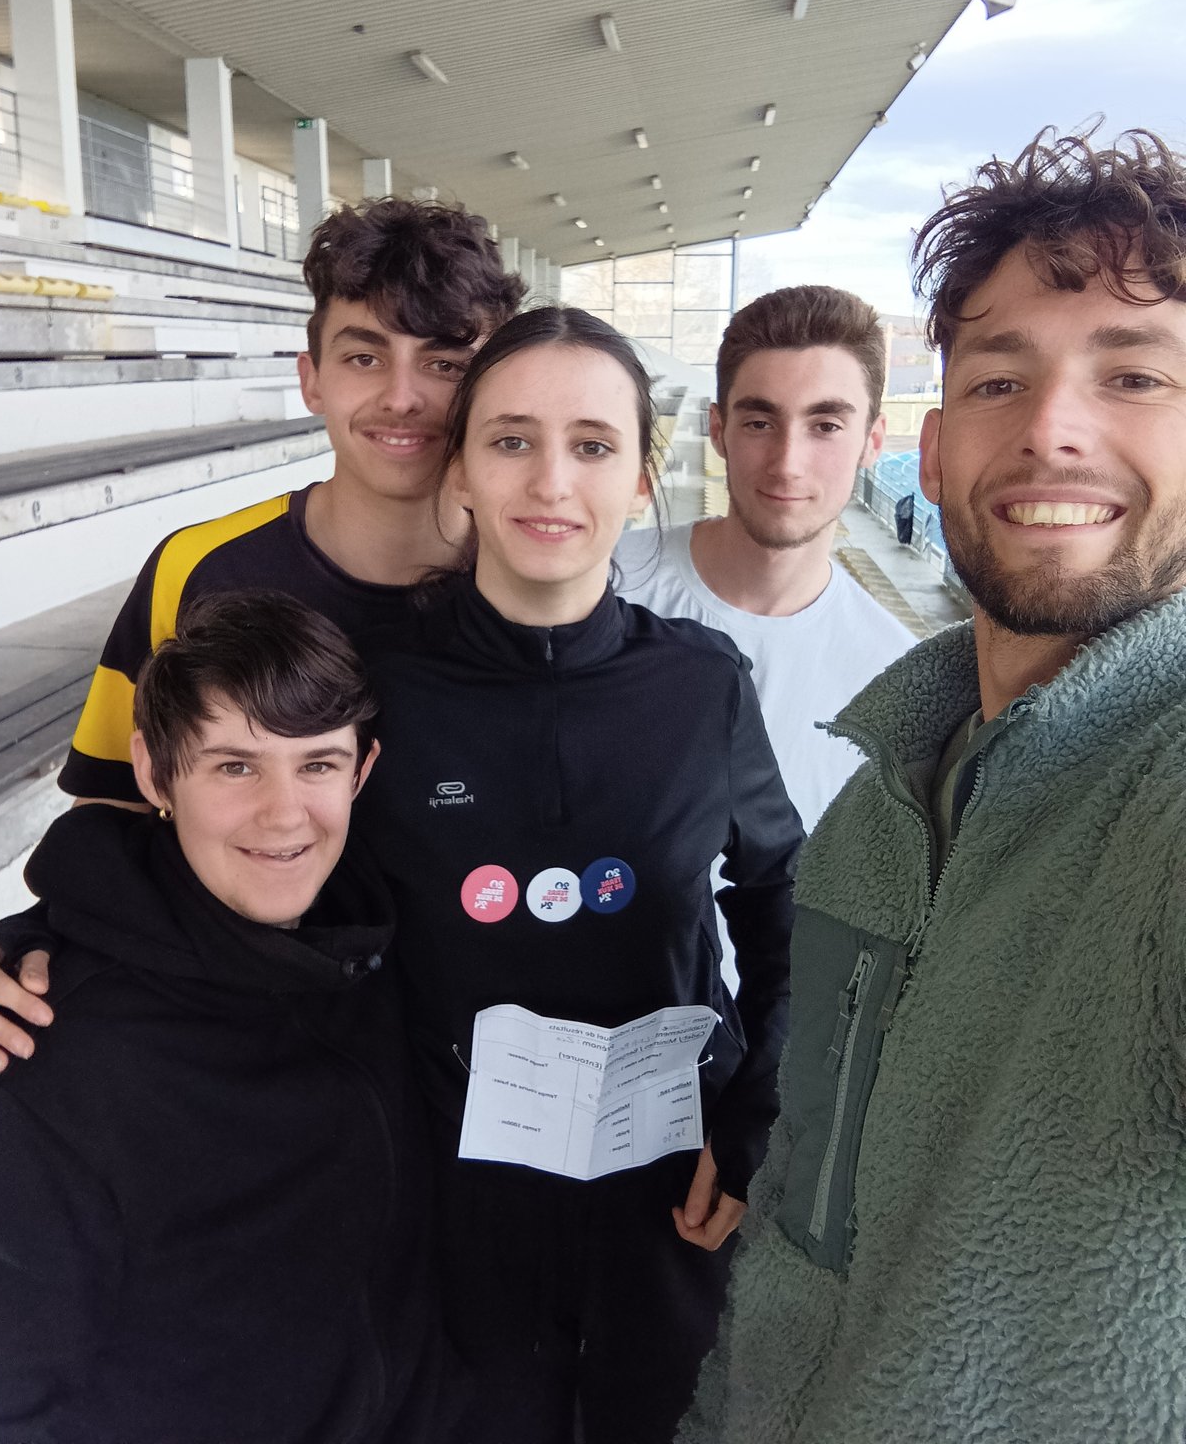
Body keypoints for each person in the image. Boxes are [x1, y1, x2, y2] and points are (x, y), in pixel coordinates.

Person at [677, 127, 1186, 1444]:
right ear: (939, 441)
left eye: (1134, 376)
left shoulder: (1159, 795)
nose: (1055, 430)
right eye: (1002, 379)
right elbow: (803, 1212)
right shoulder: (878, 801)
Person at [343, 305, 803, 1444]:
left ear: (644, 477)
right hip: (458, 1193)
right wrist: (56, 939)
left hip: (673, 1184)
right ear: (458, 469)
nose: (552, 479)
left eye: (593, 444)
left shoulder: (699, 683)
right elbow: (256, 863)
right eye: (510, 439)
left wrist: (757, 1116)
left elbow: (786, 893)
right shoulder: (377, 689)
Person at [0, 197, 523, 1067]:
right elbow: (117, 807)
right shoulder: (197, 570)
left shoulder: (529, 584)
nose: (403, 396)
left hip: (475, 1037)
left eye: (446, 362)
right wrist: (25, 940)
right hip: (250, 1044)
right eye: (363, 355)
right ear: (311, 376)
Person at [0, 590, 457, 1442]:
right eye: (235, 766)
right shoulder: (41, 1048)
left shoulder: (378, 946)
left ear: (363, 772)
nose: (284, 815)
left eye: (316, 764)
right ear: (154, 773)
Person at [615, 285, 915, 833]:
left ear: (872, 442)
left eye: (825, 426)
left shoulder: (897, 681)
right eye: (760, 422)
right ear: (717, 429)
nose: (788, 464)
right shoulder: (602, 584)